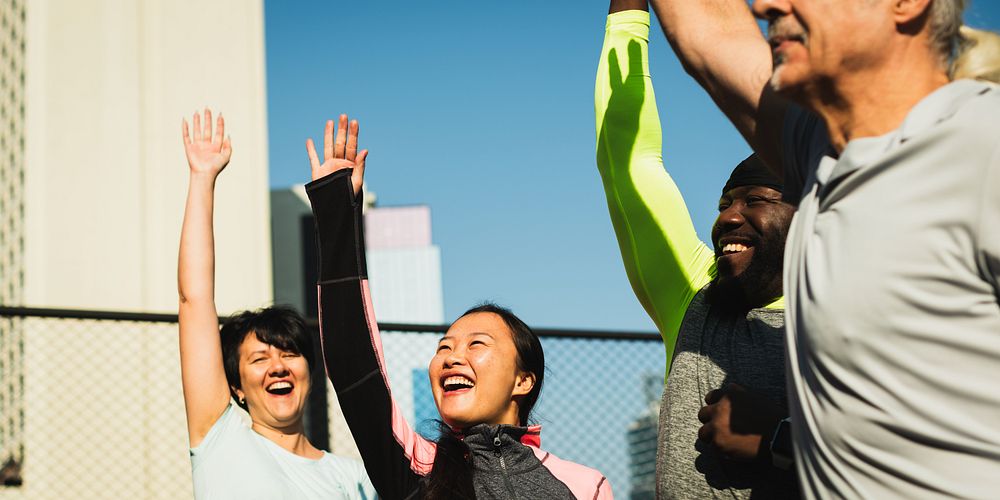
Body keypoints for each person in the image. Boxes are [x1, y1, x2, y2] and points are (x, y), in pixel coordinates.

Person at [649, 0, 1000, 497]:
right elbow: (712, 35)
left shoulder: (983, 146)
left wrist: (779, 438)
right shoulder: (822, 157)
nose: (765, 4)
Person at [303, 114, 614, 500]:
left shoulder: (587, 485)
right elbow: (355, 366)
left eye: (476, 344)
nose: (451, 358)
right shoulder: (418, 466)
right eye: (444, 347)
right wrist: (336, 210)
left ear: (524, 380)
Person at [595, 2, 798, 498]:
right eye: (725, 202)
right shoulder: (696, 295)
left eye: (756, 200)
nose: (728, 216)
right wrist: (627, 17)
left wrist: (779, 439)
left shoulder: (851, 314)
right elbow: (631, 162)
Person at [178, 109, 376, 499]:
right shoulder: (221, 439)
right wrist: (202, 179)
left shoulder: (353, 478)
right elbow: (194, 298)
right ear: (236, 387)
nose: (278, 367)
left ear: (310, 372)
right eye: (259, 359)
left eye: (289, 353)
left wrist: (340, 210)